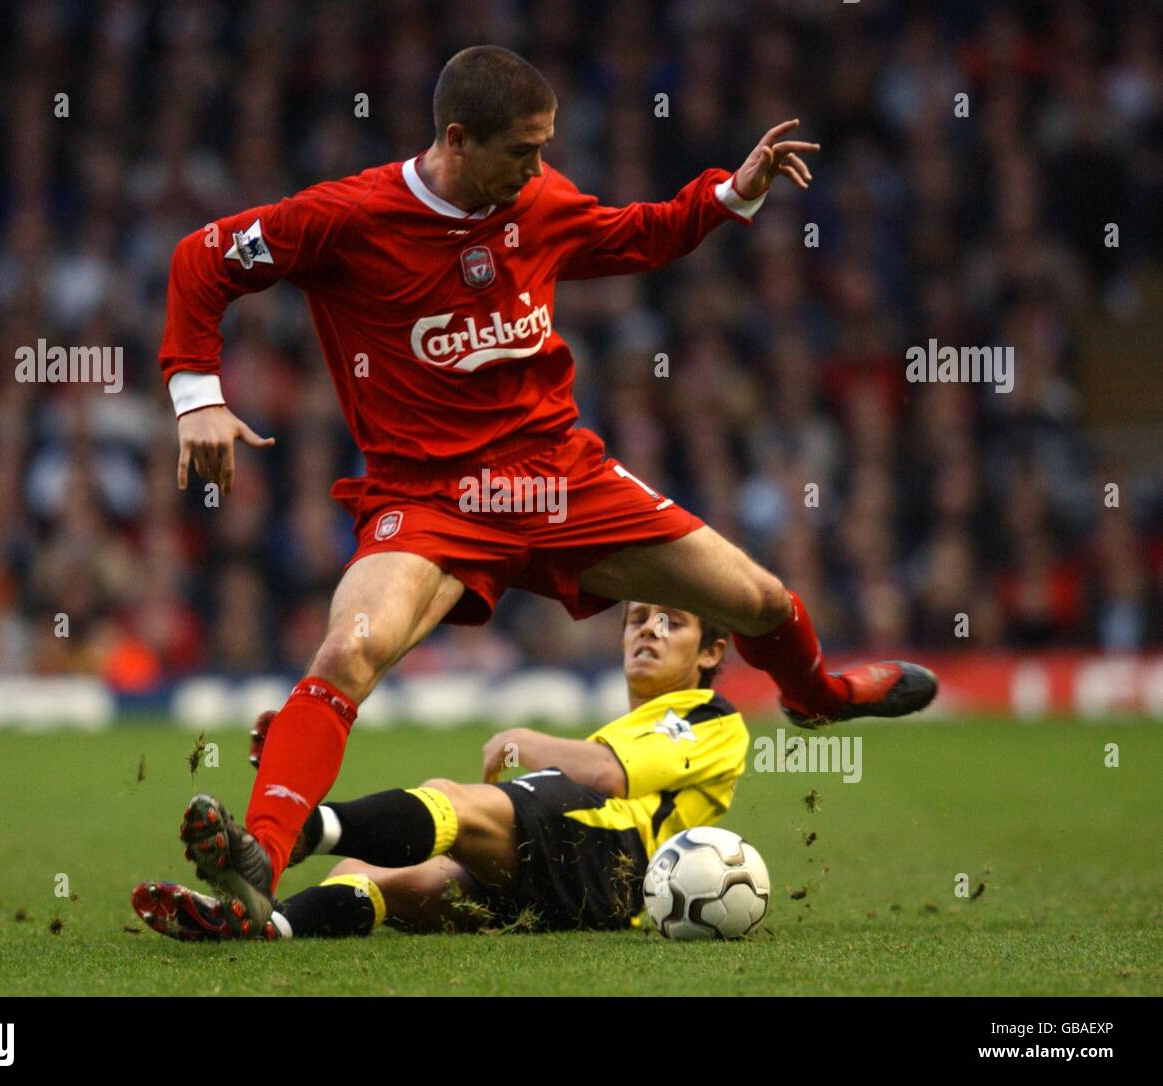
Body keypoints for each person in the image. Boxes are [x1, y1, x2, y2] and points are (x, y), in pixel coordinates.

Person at [159, 45, 936, 936]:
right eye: (523, 150)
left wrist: (730, 193)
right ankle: (259, 855)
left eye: (545, 148)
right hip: (432, 497)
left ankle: (819, 698)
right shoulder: (346, 217)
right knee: (347, 652)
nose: (539, 167)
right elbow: (201, 259)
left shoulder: (537, 199)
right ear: (458, 139)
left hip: (559, 478)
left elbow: (633, 235)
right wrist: (198, 397)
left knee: (758, 598)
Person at [135, 602, 747, 940]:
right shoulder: (633, 727)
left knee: (450, 799)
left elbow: (609, 777)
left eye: (671, 620)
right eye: (637, 618)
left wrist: (522, 738)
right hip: (581, 891)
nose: (647, 629)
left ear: (713, 651)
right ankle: (264, 925)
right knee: (382, 877)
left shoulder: (710, 719)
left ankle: (292, 831)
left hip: (620, 859)